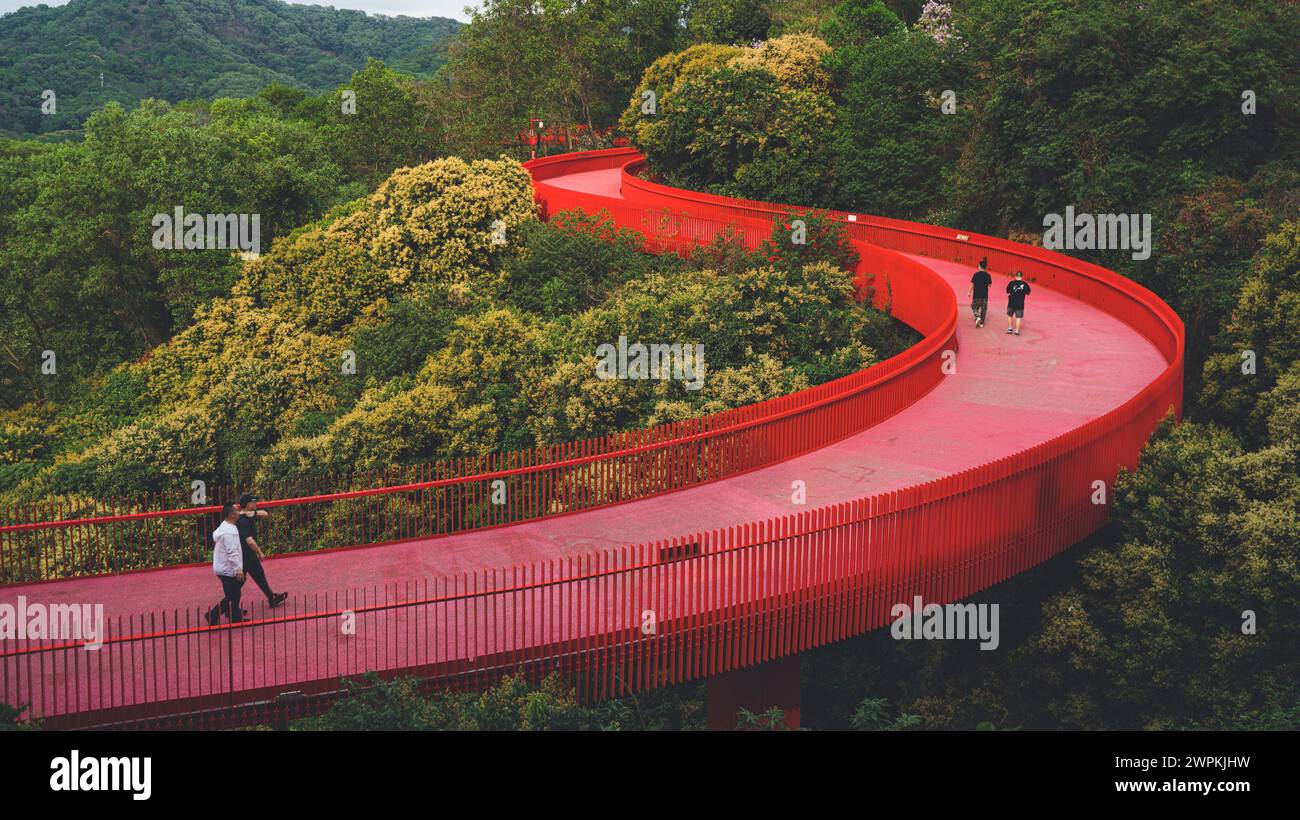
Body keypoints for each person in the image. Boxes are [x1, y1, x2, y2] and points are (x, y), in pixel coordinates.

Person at [236, 493, 288, 609]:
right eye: (254, 501)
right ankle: (218, 611)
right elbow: (249, 541)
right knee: (238, 584)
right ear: (248, 504)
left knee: (259, 576)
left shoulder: (248, 516)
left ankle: (271, 598)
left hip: (246, 554)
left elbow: (265, 514)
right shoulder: (242, 521)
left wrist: (253, 513)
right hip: (246, 555)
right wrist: (259, 552)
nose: (256, 503)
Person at [205, 502, 246, 625]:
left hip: (223, 567)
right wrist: (238, 569)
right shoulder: (228, 532)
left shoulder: (226, 526)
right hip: (226, 568)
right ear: (232, 514)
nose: (239, 512)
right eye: (236, 511)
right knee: (233, 594)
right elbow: (231, 552)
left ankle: (235, 615)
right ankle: (213, 614)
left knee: (234, 592)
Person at [967, 258, 993, 327]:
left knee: (974, 306)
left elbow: (972, 284)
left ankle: (977, 316)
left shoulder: (976, 274)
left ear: (979, 266)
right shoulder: (988, 275)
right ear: (986, 268)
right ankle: (981, 323)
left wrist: (969, 292)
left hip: (976, 295)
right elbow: (990, 285)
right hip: (984, 295)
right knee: (983, 309)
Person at [1005, 270, 1031, 336]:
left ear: (1015, 276)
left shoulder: (1011, 283)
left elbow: (1007, 291)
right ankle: (1017, 331)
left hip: (1011, 302)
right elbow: (1028, 292)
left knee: (1009, 315)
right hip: (1020, 303)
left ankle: (1010, 328)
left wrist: (1009, 295)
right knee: (1018, 317)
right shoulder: (1025, 284)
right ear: (1022, 277)